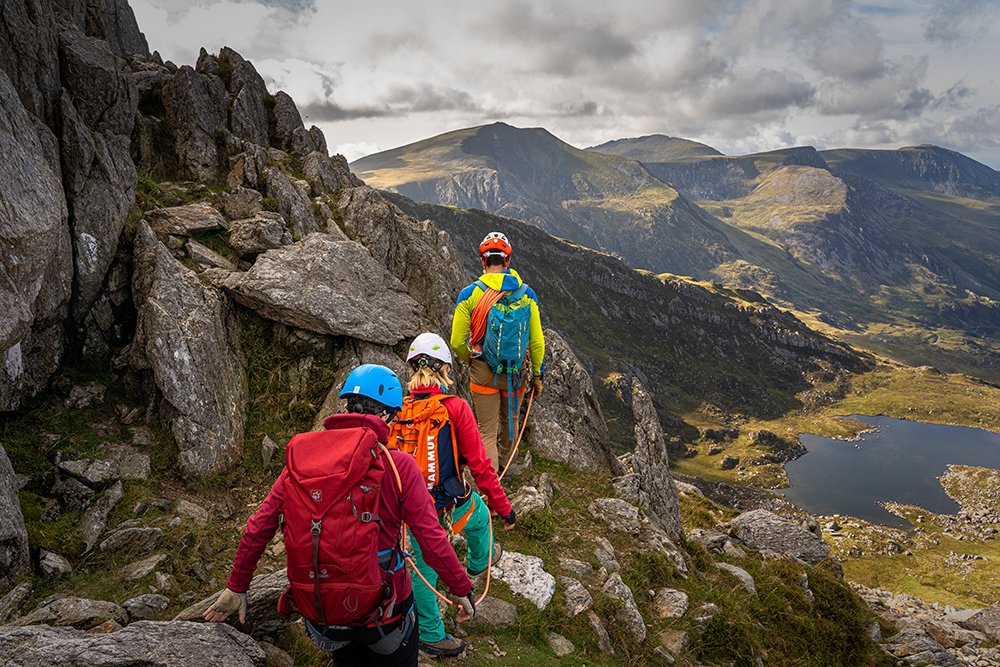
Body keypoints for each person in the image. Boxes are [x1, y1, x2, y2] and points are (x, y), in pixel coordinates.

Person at [204, 364, 475, 666]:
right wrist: (461, 588)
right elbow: (430, 538)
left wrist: (237, 586)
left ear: (346, 405)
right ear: (387, 415)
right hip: (386, 613)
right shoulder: (399, 465)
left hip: (322, 612)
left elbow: (259, 526)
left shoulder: (303, 462)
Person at [390, 332, 517, 657]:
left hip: (408, 513)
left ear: (411, 369)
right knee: (480, 518)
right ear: (445, 369)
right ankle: (478, 563)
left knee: (423, 571)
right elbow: (481, 467)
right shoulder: (454, 408)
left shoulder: (398, 411)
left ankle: (430, 634)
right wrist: (506, 510)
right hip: (450, 504)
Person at [450, 232, 545, 473]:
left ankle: (490, 485)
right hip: (515, 372)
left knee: (487, 431)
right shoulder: (527, 295)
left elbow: (457, 340)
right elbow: (536, 341)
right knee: (510, 423)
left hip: (482, 370)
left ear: (483, 261)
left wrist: (469, 359)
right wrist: (538, 375)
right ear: (507, 261)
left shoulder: (469, 294)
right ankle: (504, 467)